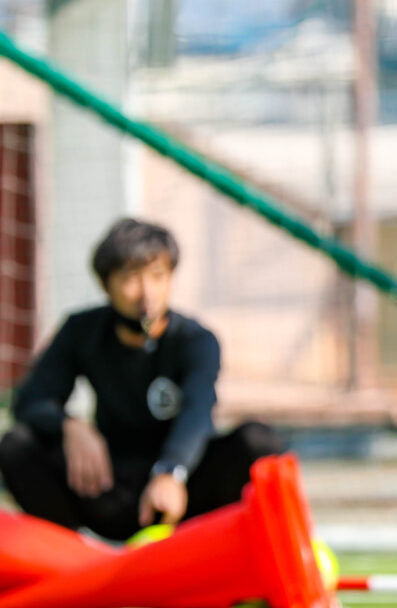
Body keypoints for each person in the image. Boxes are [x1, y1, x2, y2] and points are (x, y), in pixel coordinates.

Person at [0, 219, 284, 541]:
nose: (147, 292)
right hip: (106, 486)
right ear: (106, 284)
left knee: (259, 443)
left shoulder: (196, 340)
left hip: (180, 493)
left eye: (158, 276)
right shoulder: (81, 331)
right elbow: (30, 401)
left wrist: (172, 470)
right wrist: (70, 425)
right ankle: (69, 559)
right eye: (131, 278)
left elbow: (198, 412)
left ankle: (240, 550)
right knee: (16, 446)